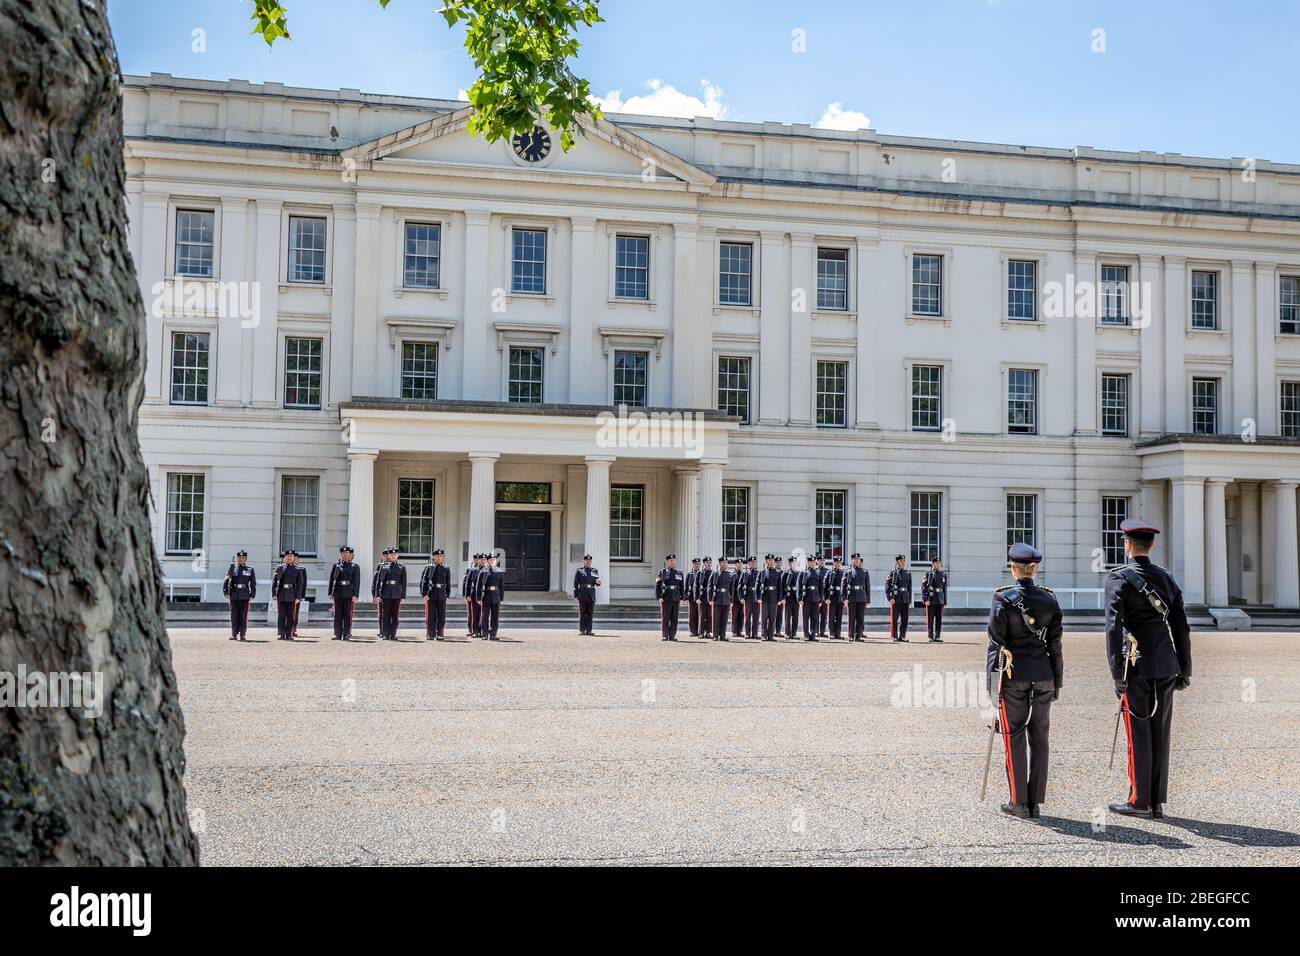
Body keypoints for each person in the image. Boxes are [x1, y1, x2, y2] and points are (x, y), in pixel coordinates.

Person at [1105, 519, 1192, 820]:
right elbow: (1181, 626)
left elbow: (1114, 630)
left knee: (1138, 732)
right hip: (1166, 662)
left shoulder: (1119, 579)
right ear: (1151, 545)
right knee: (1161, 731)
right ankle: (1156, 801)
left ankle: (1139, 800)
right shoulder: (1166, 579)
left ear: (1127, 545)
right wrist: (1184, 667)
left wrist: (1117, 673)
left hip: (1136, 664)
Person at [986, 542, 1063, 819]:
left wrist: (992, 690)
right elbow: (1055, 645)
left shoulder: (1002, 598)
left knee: (1014, 737)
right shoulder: (1050, 599)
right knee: (1040, 737)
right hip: (1043, 675)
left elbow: (996, 645)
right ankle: (1035, 802)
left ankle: (1019, 801)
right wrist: (1057, 681)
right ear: (1035, 569)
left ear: (1013, 568)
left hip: (1012, 676)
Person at [327, 545, 361, 641]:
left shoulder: (354, 567)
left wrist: (355, 595)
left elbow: (357, 582)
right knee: (338, 614)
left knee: (347, 614)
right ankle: (337, 634)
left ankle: (346, 634)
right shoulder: (336, 565)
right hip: (338, 592)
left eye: (347, 553)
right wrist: (330, 592)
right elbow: (331, 579)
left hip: (349, 593)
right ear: (340, 554)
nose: (345, 555)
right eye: (343, 553)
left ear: (350, 555)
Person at [372, 547, 406, 640]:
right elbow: (379, 581)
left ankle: (393, 634)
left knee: (395, 615)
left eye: (395, 554)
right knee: (385, 614)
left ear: (397, 555)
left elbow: (404, 583)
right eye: (391, 554)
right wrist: (378, 595)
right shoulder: (383, 566)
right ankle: (386, 634)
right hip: (386, 593)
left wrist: (403, 596)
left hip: (397, 593)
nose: (393, 556)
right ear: (389, 556)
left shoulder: (402, 567)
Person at [222, 550, 256, 641]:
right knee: (234, 616)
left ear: (245, 559)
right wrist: (225, 592)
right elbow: (226, 581)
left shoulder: (250, 569)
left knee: (243, 616)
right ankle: (234, 634)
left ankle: (242, 634)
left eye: (243, 558)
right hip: (234, 595)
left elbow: (253, 583)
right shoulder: (232, 569)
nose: (241, 559)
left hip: (245, 595)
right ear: (237, 559)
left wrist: (252, 594)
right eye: (239, 558)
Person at [419, 548, 451, 640]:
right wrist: (424, 594)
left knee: (441, 616)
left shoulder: (446, 568)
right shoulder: (428, 567)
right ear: (433, 557)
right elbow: (423, 581)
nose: (440, 558)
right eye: (438, 556)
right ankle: (430, 633)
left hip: (441, 594)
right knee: (431, 615)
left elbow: (448, 583)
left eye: (441, 556)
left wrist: (447, 594)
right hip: (431, 594)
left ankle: (440, 633)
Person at [276, 550, 307, 641]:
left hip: (292, 595)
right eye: (288, 556)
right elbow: (275, 581)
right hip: (281, 594)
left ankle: (289, 634)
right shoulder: (280, 568)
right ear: (284, 558)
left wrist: (298, 597)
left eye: (291, 556)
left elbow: (300, 584)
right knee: (281, 615)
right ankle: (281, 634)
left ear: (294, 558)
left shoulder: (298, 569)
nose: (289, 558)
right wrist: (274, 594)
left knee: (290, 616)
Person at [655, 554, 685, 641]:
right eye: (670, 561)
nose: (672, 562)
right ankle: (665, 635)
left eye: (673, 561)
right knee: (666, 617)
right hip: (666, 597)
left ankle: (672, 635)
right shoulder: (662, 572)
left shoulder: (679, 573)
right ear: (667, 562)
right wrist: (659, 597)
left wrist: (683, 597)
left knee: (674, 618)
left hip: (676, 597)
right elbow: (657, 585)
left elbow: (682, 586)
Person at [476, 552, 505, 640]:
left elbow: (502, 586)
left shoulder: (499, 572)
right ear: (488, 561)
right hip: (487, 596)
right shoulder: (483, 572)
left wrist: (501, 598)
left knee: (495, 616)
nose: (493, 561)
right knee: (485, 616)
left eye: (494, 560)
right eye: (491, 560)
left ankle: (493, 634)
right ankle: (484, 634)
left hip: (496, 596)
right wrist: (478, 598)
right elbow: (478, 586)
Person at [707, 556, 735, 641]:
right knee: (716, 618)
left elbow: (732, 589)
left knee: (724, 619)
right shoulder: (715, 574)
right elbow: (710, 587)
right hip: (717, 598)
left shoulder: (730, 575)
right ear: (719, 564)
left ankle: (722, 635)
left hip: (726, 598)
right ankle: (715, 635)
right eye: (723, 563)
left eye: (726, 562)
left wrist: (732, 600)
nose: (725, 564)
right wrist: (710, 599)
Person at [844, 553, 871, 642]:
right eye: (855, 559)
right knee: (851, 617)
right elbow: (843, 585)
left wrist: (868, 599)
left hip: (862, 597)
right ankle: (851, 635)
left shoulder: (865, 571)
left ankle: (858, 635)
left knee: (860, 617)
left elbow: (868, 586)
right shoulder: (848, 571)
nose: (857, 561)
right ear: (852, 561)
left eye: (858, 559)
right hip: (851, 597)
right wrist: (844, 598)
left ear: (860, 560)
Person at [886, 555, 912, 642]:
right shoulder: (893, 573)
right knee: (894, 618)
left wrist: (910, 600)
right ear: (897, 562)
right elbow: (887, 587)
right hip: (895, 598)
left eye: (904, 561)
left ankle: (902, 636)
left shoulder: (908, 573)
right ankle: (894, 636)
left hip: (905, 598)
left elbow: (909, 588)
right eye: (901, 561)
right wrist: (890, 598)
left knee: (905, 619)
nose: (903, 563)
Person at [922, 555, 948, 643]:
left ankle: (937, 636)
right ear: (933, 564)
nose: (938, 564)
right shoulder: (928, 574)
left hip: (940, 598)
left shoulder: (943, 574)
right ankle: (930, 636)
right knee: (930, 619)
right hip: (931, 599)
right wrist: (925, 599)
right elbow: (924, 588)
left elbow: (944, 589)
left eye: (939, 563)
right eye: (936, 563)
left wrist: (945, 600)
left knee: (939, 619)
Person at [573, 554, 601, 635]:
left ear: (591, 561)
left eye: (589, 561)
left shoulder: (594, 570)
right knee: (582, 613)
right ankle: (582, 630)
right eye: (586, 561)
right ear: (584, 561)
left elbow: (597, 582)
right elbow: (575, 584)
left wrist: (598, 582)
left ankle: (589, 630)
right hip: (582, 593)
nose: (588, 562)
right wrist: (576, 595)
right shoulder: (579, 570)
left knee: (590, 613)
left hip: (591, 593)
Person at [798, 556, 822, 642]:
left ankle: (813, 635)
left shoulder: (818, 573)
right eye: (811, 562)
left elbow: (821, 587)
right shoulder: (804, 573)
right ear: (808, 563)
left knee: (814, 618)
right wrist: (799, 598)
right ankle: (806, 635)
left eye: (814, 562)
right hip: (806, 598)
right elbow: (799, 586)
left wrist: (821, 599)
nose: (812, 563)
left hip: (815, 597)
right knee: (806, 617)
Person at [760, 554, 782, 641]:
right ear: (766, 561)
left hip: (774, 598)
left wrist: (780, 599)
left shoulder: (777, 572)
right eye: (769, 560)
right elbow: (758, 585)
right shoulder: (763, 572)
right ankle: (764, 635)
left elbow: (780, 586)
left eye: (772, 560)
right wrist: (759, 597)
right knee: (764, 618)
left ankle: (771, 636)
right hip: (765, 597)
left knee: (773, 618)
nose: (771, 561)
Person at [462, 554, 484, 638]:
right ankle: (473, 630)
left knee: (482, 614)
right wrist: (466, 594)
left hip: (482, 595)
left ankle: (481, 630)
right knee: (472, 614)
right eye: (477, 559)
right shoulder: (471, 570)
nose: (478, 561)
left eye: (481, 559)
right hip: (473, 594)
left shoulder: (486, 570)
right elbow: (466, 583)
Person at [781, 555, 800, 640]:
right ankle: (787, 633)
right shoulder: (785, 573)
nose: (794, 564)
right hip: (788, 597)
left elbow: (800, 586)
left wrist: (800, 598)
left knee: (795, 616)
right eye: (792, 562)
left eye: (795, 562)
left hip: (796, 597)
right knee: (788, 616)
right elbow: (782, 586)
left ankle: (794, 633)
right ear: (789, 563)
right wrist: (783, 597)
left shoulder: (798, 573)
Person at [685, 557, 702, 636]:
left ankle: (699, 630)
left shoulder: (702, 573)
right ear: (693, 565)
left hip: (700, 597)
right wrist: (685, 597)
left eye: (698, 564)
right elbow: (686, 585)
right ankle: (692, 631)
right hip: (692, 597)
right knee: (692, 614)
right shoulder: (690, 574)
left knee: (699, 614)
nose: (697, 565)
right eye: (696, 564)